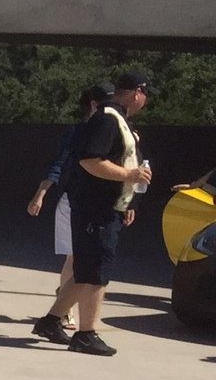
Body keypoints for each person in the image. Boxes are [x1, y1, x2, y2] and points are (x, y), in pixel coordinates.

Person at [32, 69, 155, 356]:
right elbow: (90, 161)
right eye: (146, 94)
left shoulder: (117, 120)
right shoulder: (107, 119)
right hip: (95, 209)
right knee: (97, 274)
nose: (146, 100)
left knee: (85, 271)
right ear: (137, 92)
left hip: (105, 208)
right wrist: (130, 175)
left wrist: (130, 201)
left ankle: (50, 322)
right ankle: (86, 334)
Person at [27, 83, 112, 338]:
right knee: (75, 258)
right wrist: (41, 193)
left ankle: (64, 311)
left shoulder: (116, 130)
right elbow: (59, 163)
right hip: (74, 201)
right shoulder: (79, 132)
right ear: (94, 105)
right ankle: (63, 312)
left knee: (86, 261)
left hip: (99, 205)